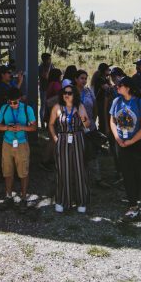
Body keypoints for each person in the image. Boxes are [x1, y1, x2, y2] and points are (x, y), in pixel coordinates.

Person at [109, 76, 141, 219]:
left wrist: (131, 141)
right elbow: (112, 121)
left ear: (127, 87)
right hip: (121, 143)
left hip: (137, 143)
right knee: (127, 173)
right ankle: (133, 204)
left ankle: (134, 198)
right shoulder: (116, 101)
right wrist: (117, 137)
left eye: (119, 85)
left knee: (136, 173)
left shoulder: (140, 103)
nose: (116, 87)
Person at [49, 84, 92, 213]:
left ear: (74, 95)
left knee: (80, 170)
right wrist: (55, 138)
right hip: (62, 140)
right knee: (63, 170)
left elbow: (87, 124)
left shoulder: (80, 106)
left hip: (78, 138)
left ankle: (82, 201)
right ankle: (62, 200)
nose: (66, 95)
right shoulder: (57, 107)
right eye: (64, 93)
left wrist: (81, 114)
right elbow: (51, 124)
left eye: (69, 93)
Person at [0, 85, 37, 209]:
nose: (12, 104)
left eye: (15, 102)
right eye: (10, 102)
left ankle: (23, 198)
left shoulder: (27, 109)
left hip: (22, 143)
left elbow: (34, 127)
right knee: (7, 171)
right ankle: (8, 196)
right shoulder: (4, 108)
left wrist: (22, 127)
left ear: (20, 99)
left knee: (23, 172)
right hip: (7, 143)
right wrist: (7, 128)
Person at [75, 69, 103, 186]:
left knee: (92, 152)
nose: (84, 80)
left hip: (90, 127)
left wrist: (93, 119)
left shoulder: (88, 92)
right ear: (76, 79)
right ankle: (79, 179)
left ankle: (97, 178)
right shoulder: (70, 92)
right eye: (81, 78)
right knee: (77, 153)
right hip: (76, 128)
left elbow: (95, 106)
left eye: (85, 78)